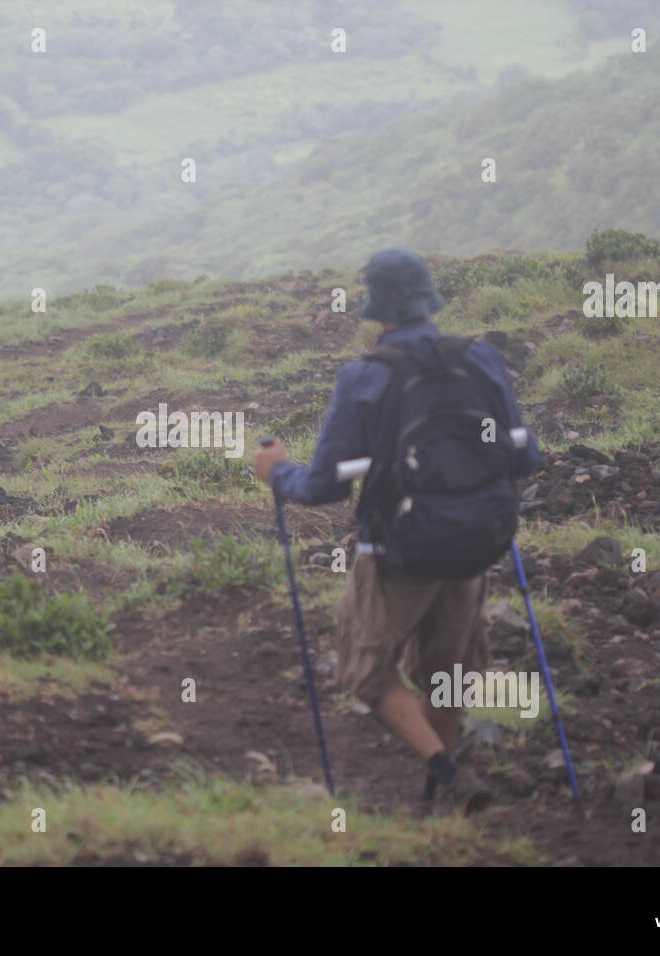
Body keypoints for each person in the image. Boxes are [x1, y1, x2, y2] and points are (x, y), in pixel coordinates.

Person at [252, 247, 540, 814]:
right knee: (448, 675)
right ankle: (440, 803)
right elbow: (525, 457)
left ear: (377, 309)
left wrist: (277, 472)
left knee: (367, 673)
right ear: (430, 300)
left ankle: (446, 772)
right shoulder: (481, 359)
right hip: (477, 544)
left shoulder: (365, 377)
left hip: (398, 553)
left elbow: (325, 486)